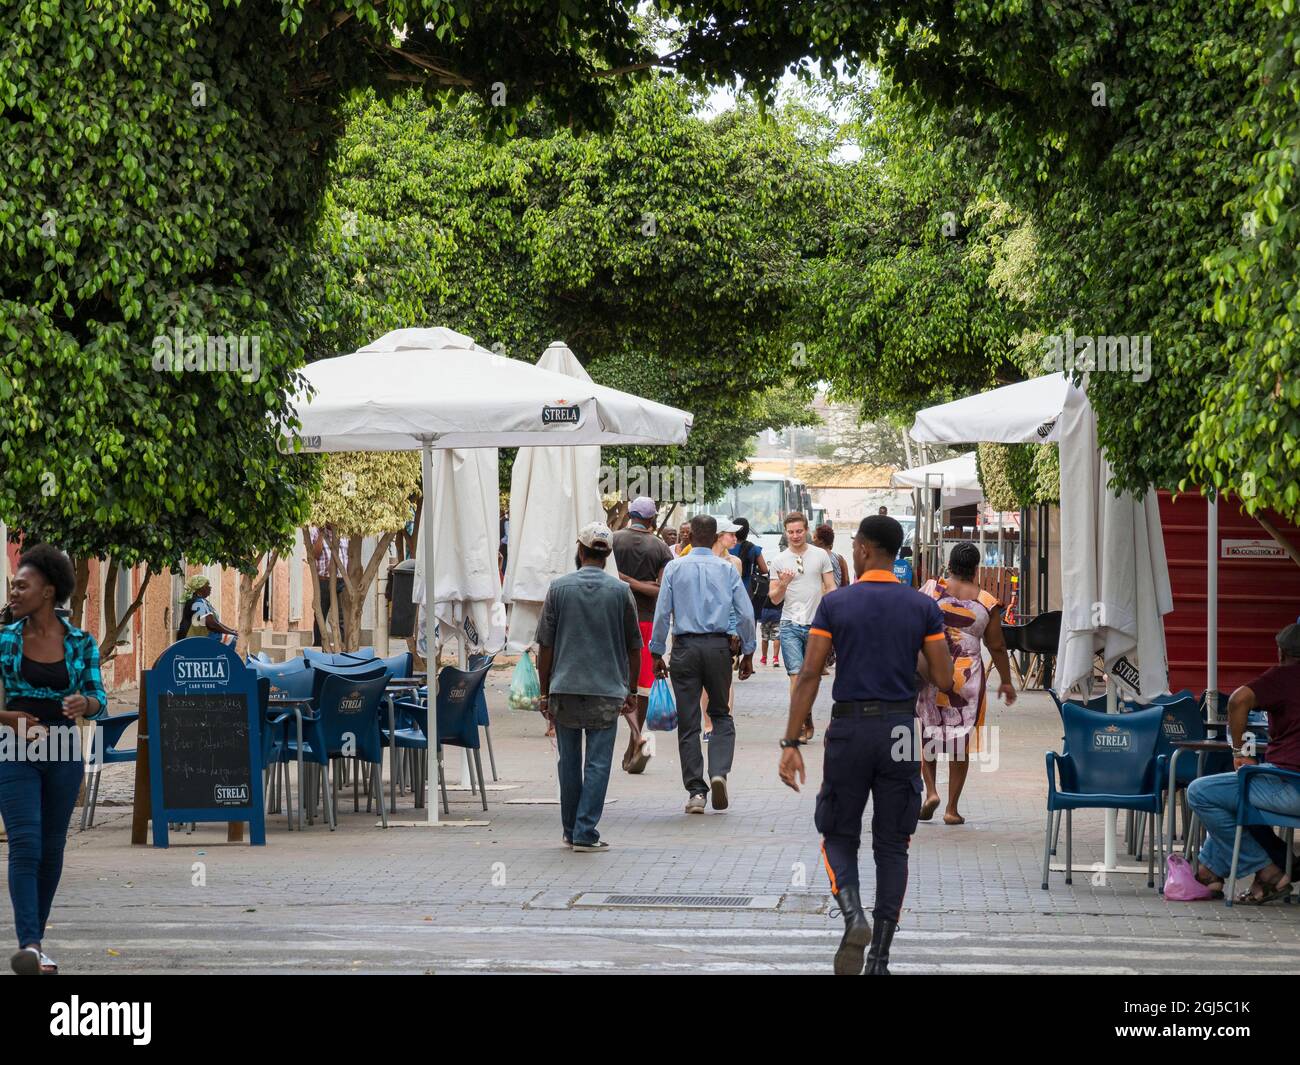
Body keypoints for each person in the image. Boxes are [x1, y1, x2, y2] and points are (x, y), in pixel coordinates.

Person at [778, 516, 955, 975]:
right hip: (900, 729)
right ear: (895, 553)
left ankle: (854, 916)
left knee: (839, 833)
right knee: (894, 845)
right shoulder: (922, 607)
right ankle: (879, 959)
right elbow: (941, 677)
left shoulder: (837, 604)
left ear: (862, 550)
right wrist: (909, 650)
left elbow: (811, 674)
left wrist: (792, 739)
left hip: (850, 729)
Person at [0, 544, 107, 975]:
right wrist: (9, 719)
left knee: (51, 848)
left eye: (21, 585)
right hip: (15, 751)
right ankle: (29, 942)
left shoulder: (81, 642)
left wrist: (87, 704)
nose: (13, 592)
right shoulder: (5, 640)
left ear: (47, 592)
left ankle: (35, 947)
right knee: (25, 844)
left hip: (63, 752)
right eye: (11, 585)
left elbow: (99, 697)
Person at [536, 523, 642, 852]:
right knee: (597, 762)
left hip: (564, 687)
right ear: (607, 555)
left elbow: (546, 647)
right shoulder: (620, 591)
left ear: (580, 552)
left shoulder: (558, 588)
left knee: (568, 760)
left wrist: (544, 691)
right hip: (606, 690)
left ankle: (571, 830)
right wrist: (632, 691)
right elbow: (633, 647)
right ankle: (584, 831)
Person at [649, 514, 756, 814]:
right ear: (713, 538)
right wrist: (748, 651)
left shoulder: (674, 568)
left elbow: (662, 613)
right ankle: (719, 771)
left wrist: (657, 652)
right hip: (719, 648)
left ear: (690, 536)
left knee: (689, 721)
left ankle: (696, 792)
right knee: (721, 713)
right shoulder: (727, 568)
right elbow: (746, 614)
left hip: (684, 649)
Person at [1188, 624, 1300, 903]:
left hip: (1290, 786)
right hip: (1287, 784)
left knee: (1200, 792)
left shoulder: (1284, 677)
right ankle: (1208, 872)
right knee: (1234, 798)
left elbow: (1238, 700)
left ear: (1281, 652)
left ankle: (1267, 871)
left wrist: (1238, 751)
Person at [915, 542, 1016, 825]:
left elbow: (912, 623)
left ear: (949, 565)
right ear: (975, 569)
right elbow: (996, 645)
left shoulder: (932, 590)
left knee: (928, 732)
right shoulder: (986, 601)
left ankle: (931, 792)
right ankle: (951, 809)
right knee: (961, 740)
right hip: (968, 674)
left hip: (932, 669)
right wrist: (1006, 682)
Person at [612, 496, 674, 773]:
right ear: (652, 519)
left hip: (612, 620)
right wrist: (642, 584)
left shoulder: (612, 541)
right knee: (642, 685)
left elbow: (608, 579)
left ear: (630, 516)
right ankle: (633, 741)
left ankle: (635, 736)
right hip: (646, 620)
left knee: (618, 679)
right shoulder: (660, 547)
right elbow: (662, 590)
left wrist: (626, 580)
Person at [769, 512, 835, 742]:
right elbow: (774, 598)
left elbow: (830, 587)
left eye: (799, 531)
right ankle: (798, 724)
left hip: (816, 626)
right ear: (785, 533)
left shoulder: (821, 556)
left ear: (806, 530)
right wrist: (784, 584)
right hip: (789, 625)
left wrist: (830, 612)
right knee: (796, 676)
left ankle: (805, 715)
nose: (795, 536)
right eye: (790, 532)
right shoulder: (779, 561)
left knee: (812, 678)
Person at [308, 525, 347, 646]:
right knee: (320, 614)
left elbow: (347, 556)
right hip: (324, 580)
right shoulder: (315, 531)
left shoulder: (344, 531)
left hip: (341, 580)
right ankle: (319, 645)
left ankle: (341, 646)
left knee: (342, 617)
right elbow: (315, 554)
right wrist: (320, 534)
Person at [176, 575, 239, 647]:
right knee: (234, 641)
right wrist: (232, 633)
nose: (210, 587)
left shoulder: (201, 601)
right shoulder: (198, 603)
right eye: (207, 585)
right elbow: (211, 624)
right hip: (197, 640)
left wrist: (231, 631)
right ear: (200, 588)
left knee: (234, 637)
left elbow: (216, 623)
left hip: (203, 637)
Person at [813, 524, 849, 588]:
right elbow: (846, 582)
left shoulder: (818, 560)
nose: (812, 540)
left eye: (814, 537)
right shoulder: (840, 558)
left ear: (821, 541)